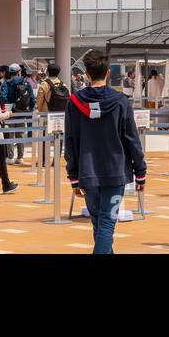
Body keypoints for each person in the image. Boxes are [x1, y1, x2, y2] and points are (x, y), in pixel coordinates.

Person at [64, 52, 147, 255]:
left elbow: (70, 141)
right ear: (108, 72)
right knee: (107, 223)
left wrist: (73, 176)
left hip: (87, 171)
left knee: (99, 223)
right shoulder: (121, 101)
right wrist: (140, 171)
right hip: (115, 171)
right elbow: (132, 139)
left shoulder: (74, 102)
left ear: (87, 74)